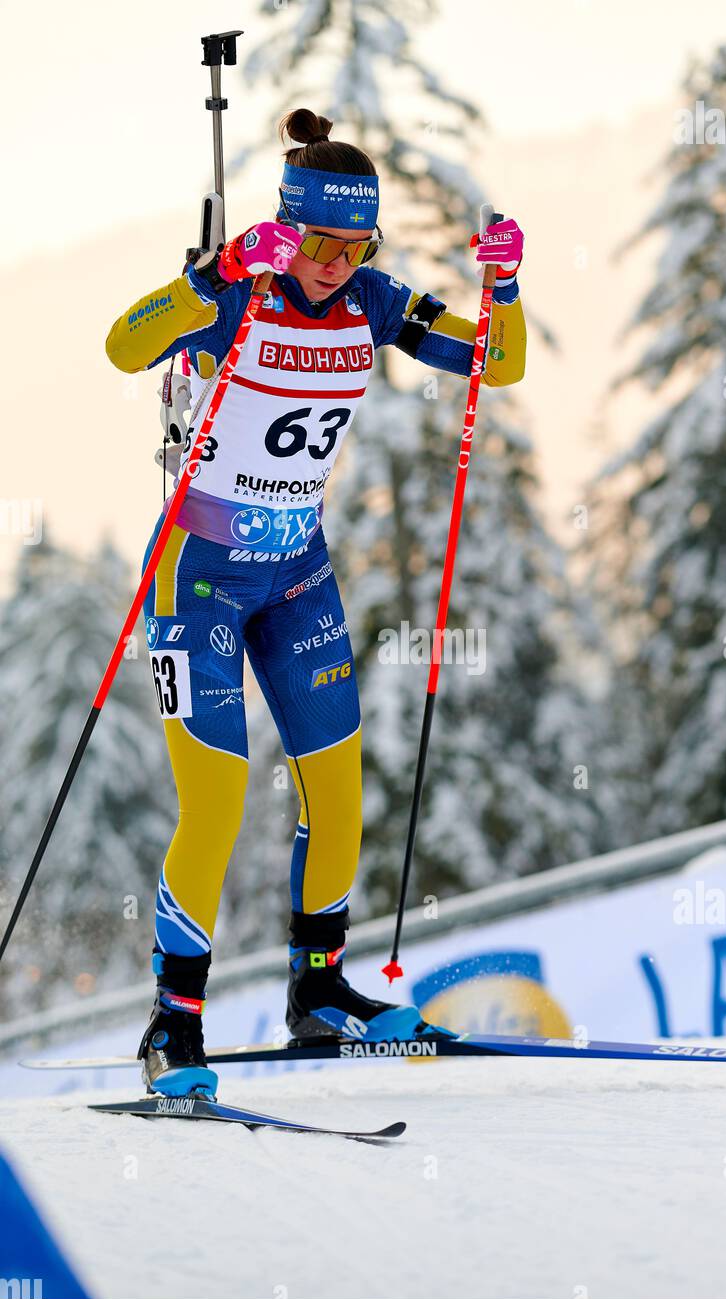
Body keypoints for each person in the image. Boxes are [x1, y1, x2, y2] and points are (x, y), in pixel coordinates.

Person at [104, 108, 527, 1097]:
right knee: (216, 798)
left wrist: (502, 288)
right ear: (285, 229)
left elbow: (493, 364)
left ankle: (321, 991)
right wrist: (209, 279)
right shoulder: (235, 297)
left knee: (337, 787)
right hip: (196, 580)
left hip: (297, 573)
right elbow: (125, 347)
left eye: (357, 245)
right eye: (321, 243)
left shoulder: (373, 303)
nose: (338, 263)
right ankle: (175, 1021)